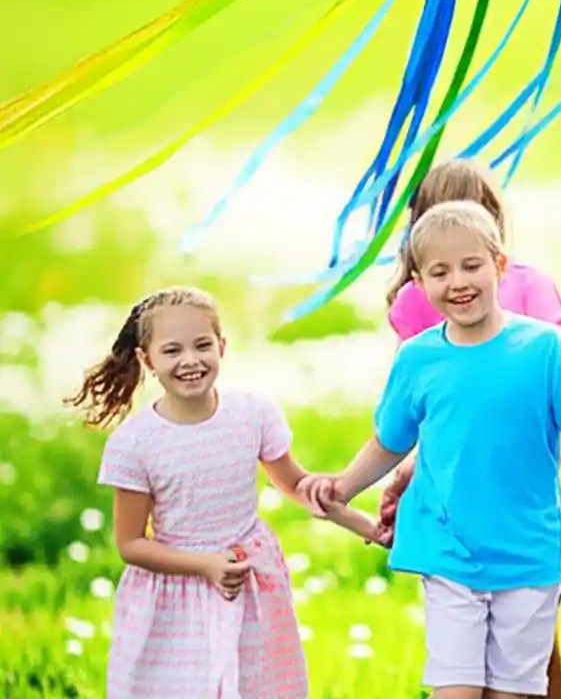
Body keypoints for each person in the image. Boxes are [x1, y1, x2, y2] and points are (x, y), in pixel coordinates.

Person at [300, 200, 561, 699]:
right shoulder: (419, 358)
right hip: (448, 551)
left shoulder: (545, 348)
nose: (458, 282)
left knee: (511, 694)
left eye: (471, 266)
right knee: (455, 692)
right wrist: (343, 486)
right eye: (440, 272)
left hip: (529, 554)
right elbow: (390, 441)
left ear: (500, 265)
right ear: (419, 282)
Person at [66, 287, 377, 699]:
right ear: (147, 360)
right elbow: (130, 544)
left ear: (222, 347)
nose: (190, 360)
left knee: (256, 686)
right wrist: (205, 565)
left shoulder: (252, 413)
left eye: (202, 345)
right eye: (172, 350)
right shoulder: (135, 443)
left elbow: (297, 484)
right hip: (176, 591)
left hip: (248, 579)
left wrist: (367, 526)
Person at [377, 159, 561, 698]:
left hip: (523, 507)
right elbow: (421, 411)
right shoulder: (416, 303)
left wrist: (529, 460)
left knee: (532, 650)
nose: (458, 279)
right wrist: (408, 475)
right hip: (453, 508)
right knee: (464, 659)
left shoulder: (533, 293)